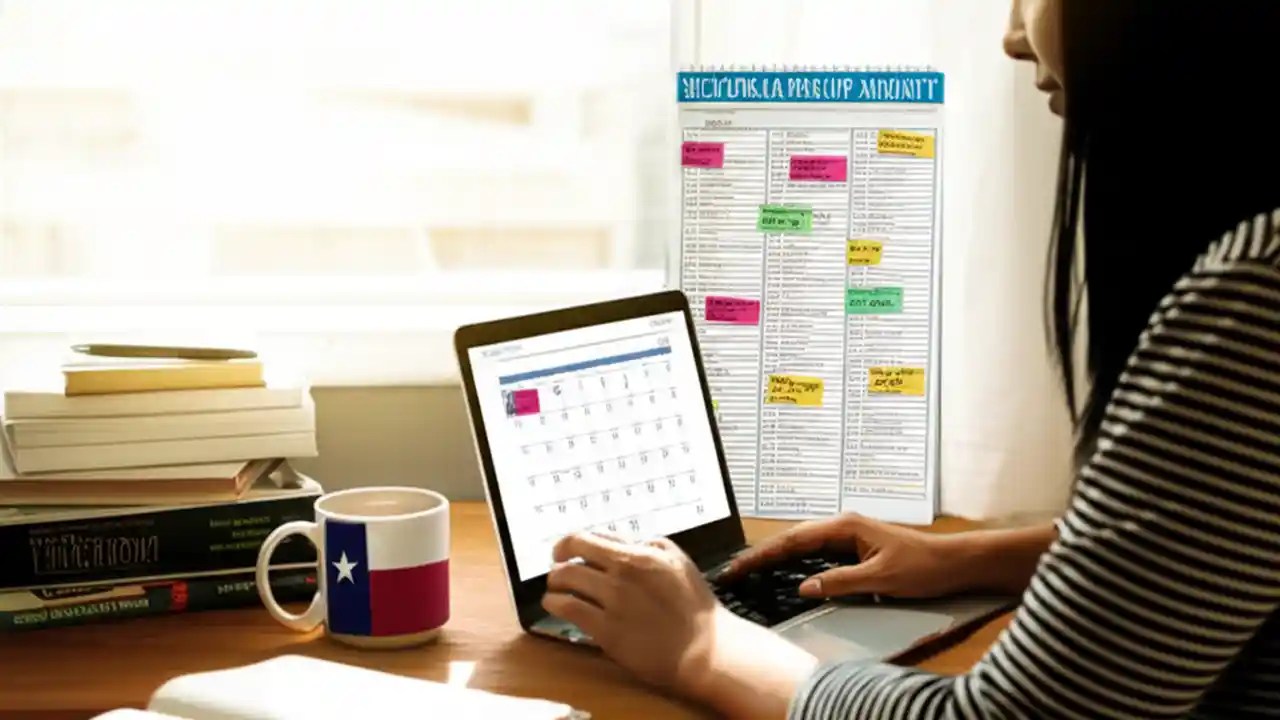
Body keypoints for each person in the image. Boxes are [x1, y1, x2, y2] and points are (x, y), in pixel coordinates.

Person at [542, 1, 1280, 718]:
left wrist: (702, 644)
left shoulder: (1258, 291)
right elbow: (1216, 546)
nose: (1012, 38)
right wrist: (965, 559)